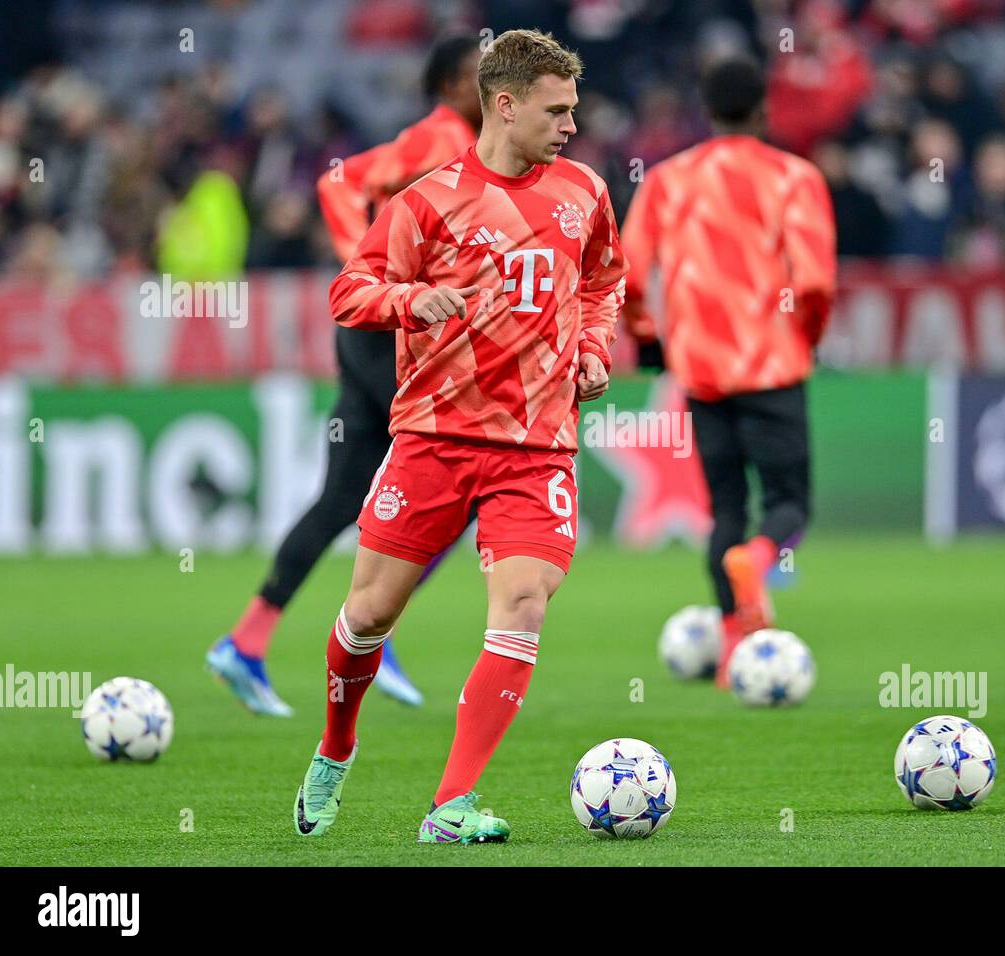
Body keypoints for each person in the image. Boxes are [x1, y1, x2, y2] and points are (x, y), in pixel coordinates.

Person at [292, 29, 626, 844]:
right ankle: (337, 746)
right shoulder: (426, 200)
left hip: (538, 445)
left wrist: (590, 348)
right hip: (435, 440)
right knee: (368, 615)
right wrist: (410, 303)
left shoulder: (584, 191)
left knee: (522, 606)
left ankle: (450, 805)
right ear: (503, 105)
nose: (571, 125)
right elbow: (350, 290)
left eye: (574, 109)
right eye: (556, 110)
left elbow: (602, 282)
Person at [206, 37, 482, 716]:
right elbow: (337, 180)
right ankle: (376, 627)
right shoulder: (439, 138)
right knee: (467, 474)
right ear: (450, 83)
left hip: (373, 333)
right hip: (388, 332)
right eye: (484, 77)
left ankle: (246, 641)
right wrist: (362, 262)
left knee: (341, 498)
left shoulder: (454, 144)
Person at [620, 57, 836, 687]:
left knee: (726, 509)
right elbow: (816, 280)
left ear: (707, 110)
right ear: (763, 109)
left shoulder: (666, 180)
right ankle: (761, 561)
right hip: (772, 365)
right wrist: (807, 336)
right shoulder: (795, 178)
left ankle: (734, 647)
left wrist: (650, 339)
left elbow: (629, 275)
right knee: (789, 503)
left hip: (701, 371)